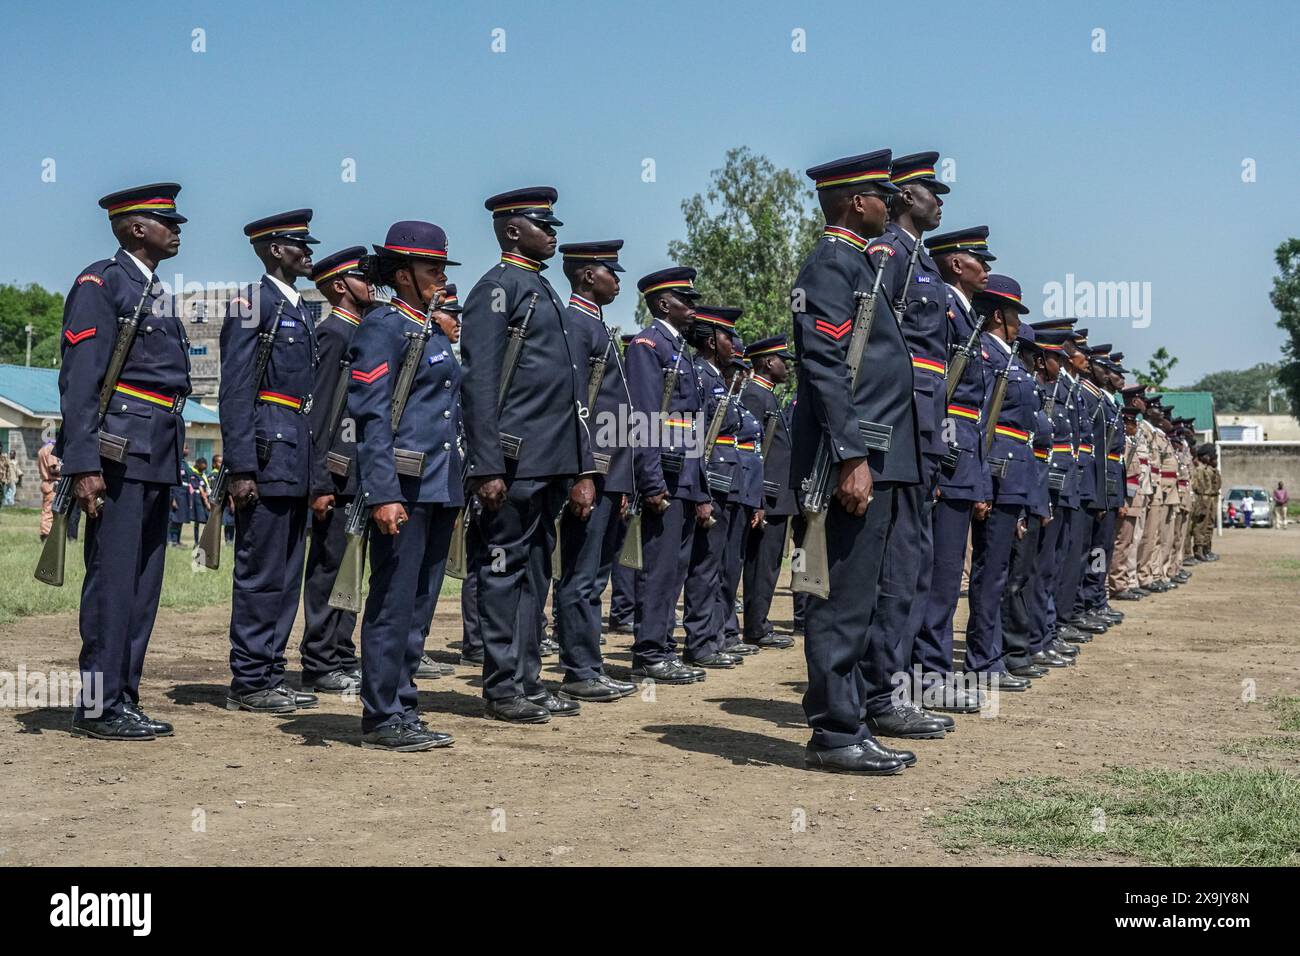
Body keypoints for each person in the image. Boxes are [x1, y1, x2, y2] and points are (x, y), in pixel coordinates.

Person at [790, 149, 919, 775]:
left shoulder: (859, 264)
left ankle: (854, 721)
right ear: (851, 201)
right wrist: (850, 457)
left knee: (861, 598)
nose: (887, 204)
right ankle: (834, 733)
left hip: (876, 455)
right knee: (838, 599)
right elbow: (825, 369)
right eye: (878, 195)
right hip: (850, 460)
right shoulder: (831, 266)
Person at [58, 182, 190, 740]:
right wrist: (82, 463)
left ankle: (123, 697)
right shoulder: (102, 283)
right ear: (136, 228)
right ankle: (96, 705)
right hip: (117, 453)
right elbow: (81, 381)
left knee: (142, 584)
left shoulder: (153, 289)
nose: (178, 229)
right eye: (168, 222)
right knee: (112, 585)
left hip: (157, 450)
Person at [460, 187, 594, 723]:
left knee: (536, 574)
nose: (553, 233)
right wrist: (487, 463)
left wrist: (579, 463)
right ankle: (500, 686)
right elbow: (480, 382)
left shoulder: (539, 288)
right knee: (501, 571)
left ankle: (528, 678)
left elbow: (572, 392)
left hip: (551, 460)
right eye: (544, 225)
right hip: (513, 462)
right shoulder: (496, 289)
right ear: (513, 229)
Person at [348, 221, 464, 751]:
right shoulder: (383, 328)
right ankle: (380, 714)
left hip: (439, 486)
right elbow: (371, 416)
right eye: (431, 268)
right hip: (403, 486)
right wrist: (383, 491)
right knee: (393, 602)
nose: (440, 276)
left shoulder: (429, 330)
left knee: (419, 605)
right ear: (402, 275)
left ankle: (404, 704)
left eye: (442, 267)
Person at [858, 151, 953, 740]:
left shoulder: (924, 264)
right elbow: (870, 346)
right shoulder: (887, 255)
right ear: (902, 197)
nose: (939, 202)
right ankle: (878, 696)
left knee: (911, 566)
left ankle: (889, 690)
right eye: (929, 192)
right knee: (891, 569)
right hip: (897, 425)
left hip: (922, 427)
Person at [219, 210, 321, 714]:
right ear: (275, 250)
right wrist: (240, 467)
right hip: (266, 453)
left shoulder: (299, 307)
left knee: (286, 574)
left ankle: (272, 671)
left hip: (295, 454)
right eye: (299, 246)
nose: (308, 253)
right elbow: (235, 391)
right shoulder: (251, 305)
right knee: (260, 574)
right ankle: (251, 678)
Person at [550, 241, 639, 702]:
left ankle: (590, 664)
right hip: (591, 471)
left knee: (596, 576)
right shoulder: (574, 325)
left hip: (610, 474)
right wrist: (584, 473)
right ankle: (579, 670)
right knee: (581, 577)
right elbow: (576, 406)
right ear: (587, 275)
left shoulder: (596, 325)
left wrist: (622, 480)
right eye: (611, 272)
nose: (618, 280)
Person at [915, 226, 996, 712]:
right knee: (938, 577)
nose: (985, 267)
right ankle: (927, 675)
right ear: (953, 264)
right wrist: (939, 450)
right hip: (947, 454)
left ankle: (933, 671)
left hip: (964, 456)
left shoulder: (965, 315)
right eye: (977, 259)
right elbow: (933, 389)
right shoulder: (943, 308)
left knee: (946, 578)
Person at [624, 267, 712, 686]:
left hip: (685, 476)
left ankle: (663, 645)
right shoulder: (648, 345)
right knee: (658, 571)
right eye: (686, 301)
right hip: (665, 476)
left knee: (675, 569)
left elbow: (691, 425)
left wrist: (699, 487)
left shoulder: (679, 351)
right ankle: (649, 652)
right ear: (663, 304)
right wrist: (652, 479)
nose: (693, 308)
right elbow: (643, 416)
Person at [298, 246, 371, 696]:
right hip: (338, 476)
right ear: (341, 286)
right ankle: (320, 659)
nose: (373, 284)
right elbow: (320, 413)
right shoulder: (333, 336)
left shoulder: (359, 335)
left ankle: (342, 652)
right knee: (329, 569)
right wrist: (321, 479)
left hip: (360, 475)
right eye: (363, 278)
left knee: (350, 571)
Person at [962, 275, 1037, 690]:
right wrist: (984, 485)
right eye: (1013, 314)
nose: (1016, 323)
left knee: (999, 572)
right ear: (997, 316)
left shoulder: (1005, 357)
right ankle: (981, 661)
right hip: (996, 474)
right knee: (989, 574)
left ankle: (991, 658)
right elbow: (982, 424)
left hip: (1013, 479)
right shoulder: (987, 356)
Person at [681, 306, 747, 669]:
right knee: (704, 568)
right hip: (709, 482)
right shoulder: (701, 376)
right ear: (711, 341)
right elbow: (696, 438)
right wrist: (700, 490)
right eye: (728, 337)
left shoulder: (716, 377)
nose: (734, 344)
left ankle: (712, 637)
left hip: (724, 482)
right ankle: (700, 642)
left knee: (716, 567)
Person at [740, 336, 798, 650]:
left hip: (775, 496)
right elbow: (754, 450)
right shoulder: (754, 395)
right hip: (767, 495)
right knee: (761, 564)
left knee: (770, 563)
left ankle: (759, 623)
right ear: (766, 363)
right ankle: (756, 627)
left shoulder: (767, 395)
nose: (786, 366)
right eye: (782, 361)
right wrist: (759, 496)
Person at [38, 441, 61, 539]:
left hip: (46, 482)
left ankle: (46, 532)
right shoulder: (51, 449)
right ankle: (46, 534)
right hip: (52, 483)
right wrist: (64, 469)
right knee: (49, 511)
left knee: (46, 509)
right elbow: (53, 469)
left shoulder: (42, 450)